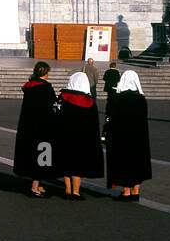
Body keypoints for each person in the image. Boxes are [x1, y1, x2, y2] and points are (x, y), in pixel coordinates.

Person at [55, 71, 103, 199]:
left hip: (65, 135)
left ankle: (68, 189)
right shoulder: (89, 102)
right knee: (78, 164)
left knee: (66, 162)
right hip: (82, 138)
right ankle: (76, 191)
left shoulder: (62, 97)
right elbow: (93, 124)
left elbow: (56, 115)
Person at [12, 61, 58, 196]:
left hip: (28, 126)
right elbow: (53, 106)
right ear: (46, 73)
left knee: (32, 154)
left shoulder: (29, 86)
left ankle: (38, 183)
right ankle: (35, 187)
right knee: (42, 156)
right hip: (43, 126)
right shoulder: (46, 87)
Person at [105, 70, 151, 200]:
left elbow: (112, 117)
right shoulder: (141, 98)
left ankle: (126, 191)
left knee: (124, 161)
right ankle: (136, 190)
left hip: (122, 136)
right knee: (137, 161)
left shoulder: (118, 98)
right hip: (139, 137)